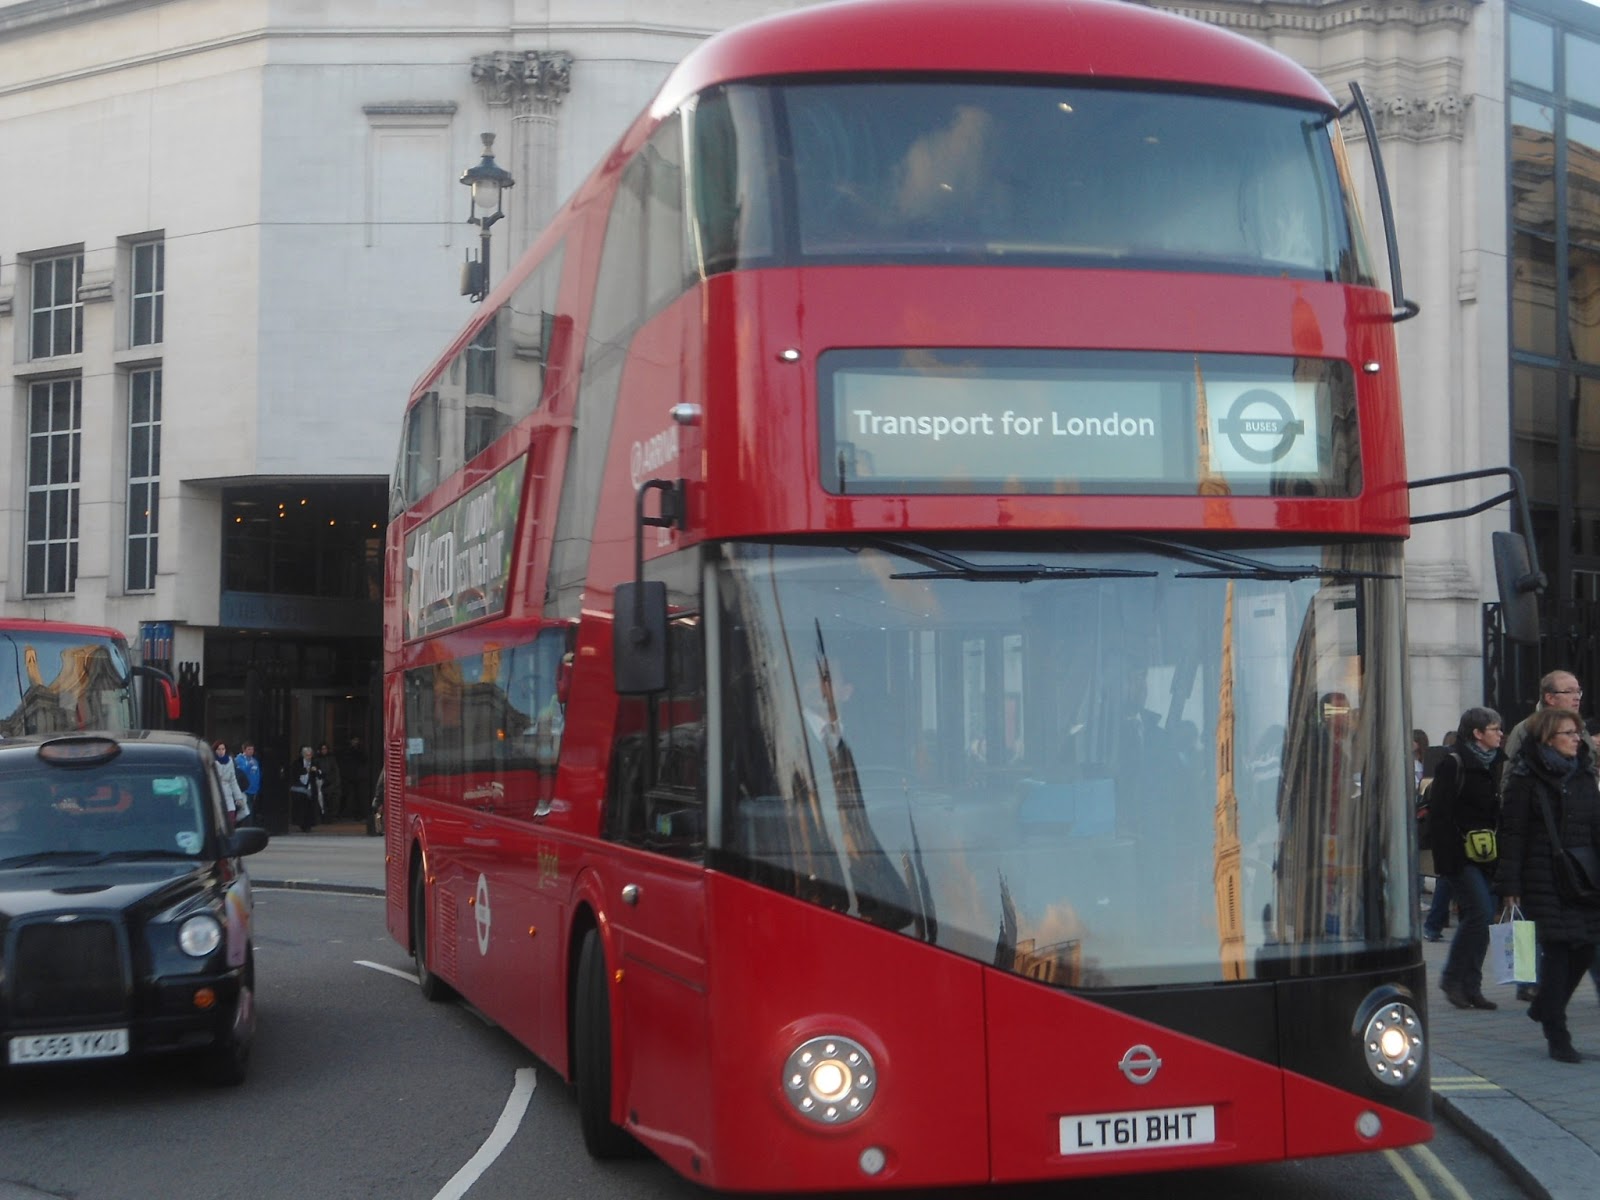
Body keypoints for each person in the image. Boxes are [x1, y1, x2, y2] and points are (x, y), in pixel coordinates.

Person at [1498, 707, 1600, 1062]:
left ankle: (1544, 1004)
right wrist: (1510, 885)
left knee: (1586, 948)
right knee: (1557, 952)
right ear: (1547, 739)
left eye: (1577, 732)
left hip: (1583, 876)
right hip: (1542, 877)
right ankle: (1558, 1036)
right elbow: (1512, 834)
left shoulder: (1585, 775)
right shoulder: (1525, 779)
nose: (1577, 739)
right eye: (1568, 734)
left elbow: (1596, 828)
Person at [1427, 707, 1505, 1010]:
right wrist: (1450, 861)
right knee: (1480, 913)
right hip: (1461, 856)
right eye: (1495, 729)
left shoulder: (1495, 763)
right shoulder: (1454, 763)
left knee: (1482, 919)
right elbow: (1440, 816)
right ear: (1477, 733)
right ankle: (1452, 978)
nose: (1500, 734)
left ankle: (1472, 986)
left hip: (1487, 854)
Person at [211, 740, 249, 829]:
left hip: (228, 794)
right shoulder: (212, 761)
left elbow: (233, 780)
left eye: (223, 749)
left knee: (231, 817)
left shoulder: (230, 761)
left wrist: (238, 797)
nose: (221, 751)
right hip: (216, 792)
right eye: (219, 749)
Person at [289, 745, 324, 833]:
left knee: (311, 807)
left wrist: (316, 771)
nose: (309, 757)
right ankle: (301, 824)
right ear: (303, 755)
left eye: (310, 755)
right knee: (301, 808)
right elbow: (294, 774)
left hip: (311, 787)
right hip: (300, 789)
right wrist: (306, 771)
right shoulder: (297, 763)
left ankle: (309, 824)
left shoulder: (315, 762)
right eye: (307, 755)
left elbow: (321, 773)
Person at [235, 742, 262, 826]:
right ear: (244, 750)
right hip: (244, 790)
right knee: (245, 811)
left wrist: (257, 788)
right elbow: (242, 773)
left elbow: (258, 775)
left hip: (253, 790)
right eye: (249, 749)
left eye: (252, 749)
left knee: (251, 810)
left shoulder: (255, 761)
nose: (251, 751)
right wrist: (249, 765)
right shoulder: (239, 760)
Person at [315, 743, 344, 819]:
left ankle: (330, 817)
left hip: (332, 783)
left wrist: (335, 783)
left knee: (333, 802)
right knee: (323, 802)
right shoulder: (317, 760)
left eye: (325, 749)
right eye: (322, 749)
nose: (324, 751)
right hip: (321, 783)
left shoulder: (332, 759)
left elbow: (336, 771)